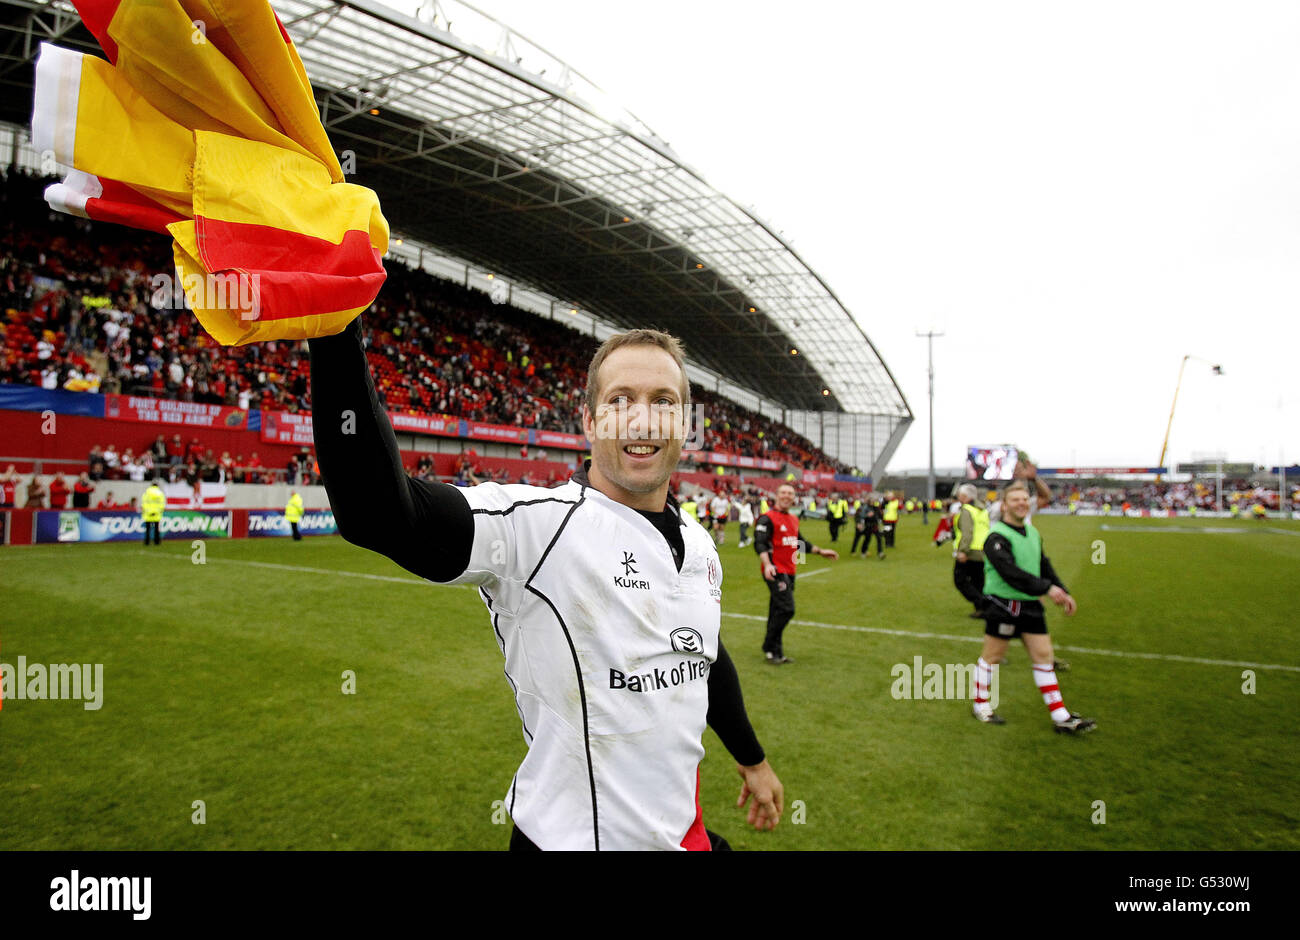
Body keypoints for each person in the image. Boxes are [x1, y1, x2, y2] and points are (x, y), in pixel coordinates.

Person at [308, 320, 783, 851]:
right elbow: (377, 514)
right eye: (620, 399)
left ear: (685, 423)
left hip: (682, 836)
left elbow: (704, 656)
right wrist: (334, 327)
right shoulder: (535, 528)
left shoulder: (698, 544)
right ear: (588, 420)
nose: (642, 418)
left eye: (663, 401)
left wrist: (753, 760)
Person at [973, 481, 1094, 733]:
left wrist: (1062, 591)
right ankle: (981, 705)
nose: (1022, 503)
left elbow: (1044, 565)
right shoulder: (996, 538)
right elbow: (1010, 573)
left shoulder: (1033, 533)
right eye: (1015, 500)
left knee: (1044, 657)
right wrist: (1046, 589)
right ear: (1004, 505)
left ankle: (1061, 716)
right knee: (992, 657)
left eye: (1025, 500)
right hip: (1004, 605)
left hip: (1030, 605)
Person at [753, 482, 838, 665]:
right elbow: (760, 543)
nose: (786, 496)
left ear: (794, 498)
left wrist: (821, 551)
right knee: (786, 609)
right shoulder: (766, 518)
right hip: (775, 570)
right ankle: (769, 645)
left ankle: (776, 652)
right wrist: (767, 564)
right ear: (776, 495)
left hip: (790, 571)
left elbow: (800, 542)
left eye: (790, 493)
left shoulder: (793, 518)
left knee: (776, 610)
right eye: (783, 492)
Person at [951, 483, 990, 619]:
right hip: (982, 549)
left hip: (970, 550)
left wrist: (963, 550)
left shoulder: (967, 510)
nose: (958, 497)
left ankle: (982, 603)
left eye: (960, 495)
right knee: (978, 581)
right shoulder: (982, 509)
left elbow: (967, 532)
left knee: (960, 580)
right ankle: (982, 609)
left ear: (965, 496)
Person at [141, 479, 166, 545]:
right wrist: (157, 511)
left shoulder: (147, 492)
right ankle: (157, 541)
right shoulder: (160, 493)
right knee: (156, 529)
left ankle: (147, 541)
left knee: (148, 529)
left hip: (148, 514)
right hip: (156, 514)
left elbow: (144, 503)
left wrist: (148, 511)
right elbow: (162, 504)